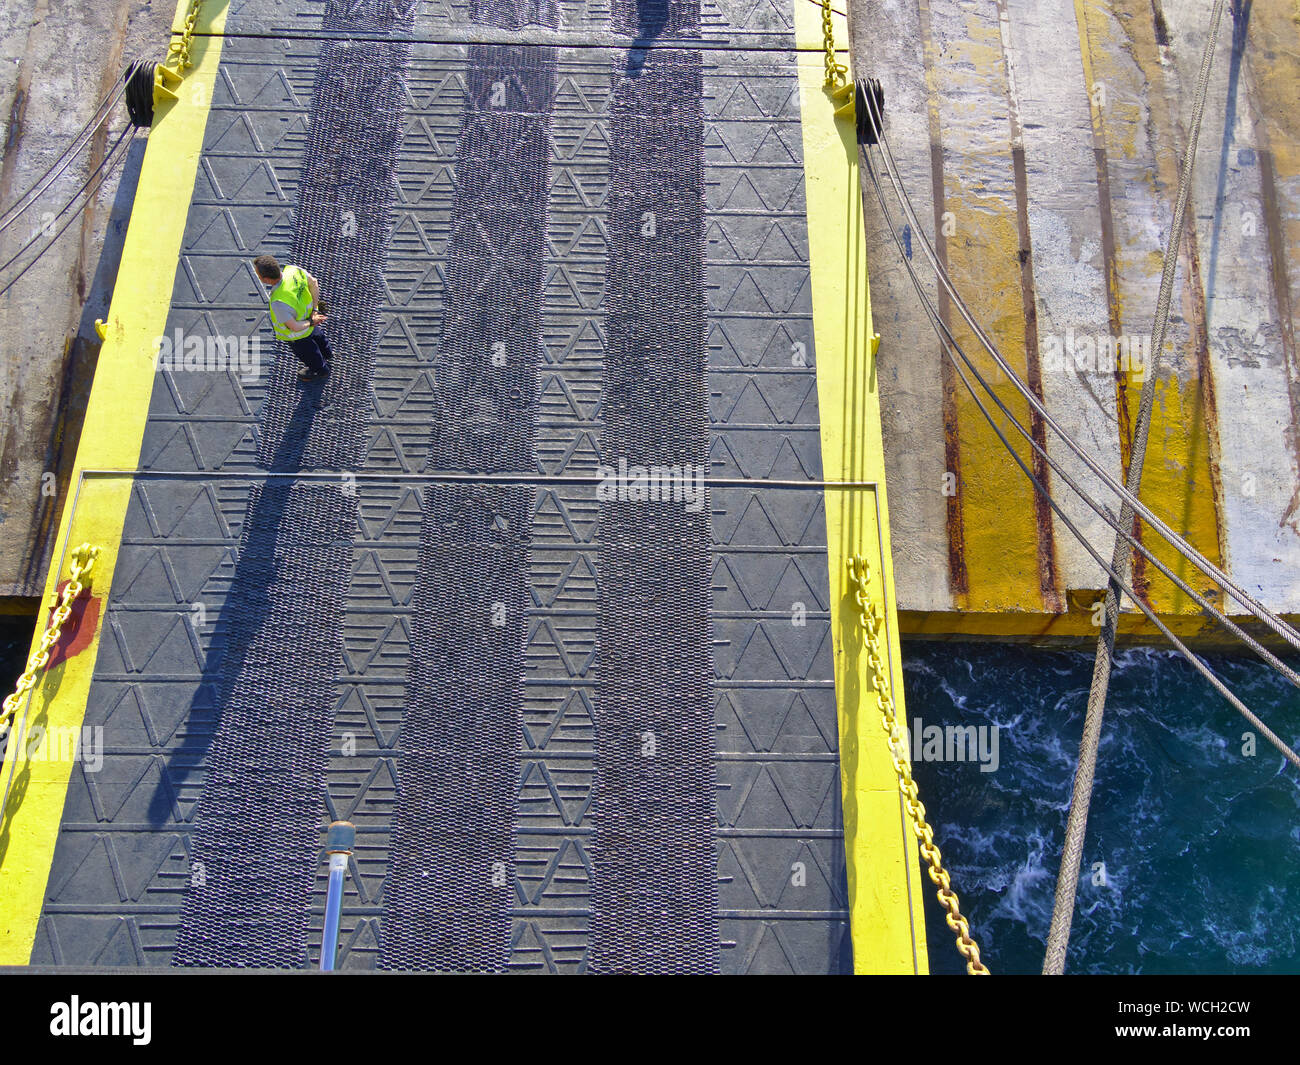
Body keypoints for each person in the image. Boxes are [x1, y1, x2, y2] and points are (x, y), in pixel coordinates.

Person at [253, 254, 332, 381]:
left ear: (266, 279)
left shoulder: (278, 302)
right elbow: (314, 283)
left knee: (309, 354)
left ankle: (320, 370)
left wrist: (311, 321)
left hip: (298, 336)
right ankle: (327, 353)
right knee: (319, 338)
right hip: (311, 318)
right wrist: (315, 311)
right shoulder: (293, 271)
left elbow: (294, 327)